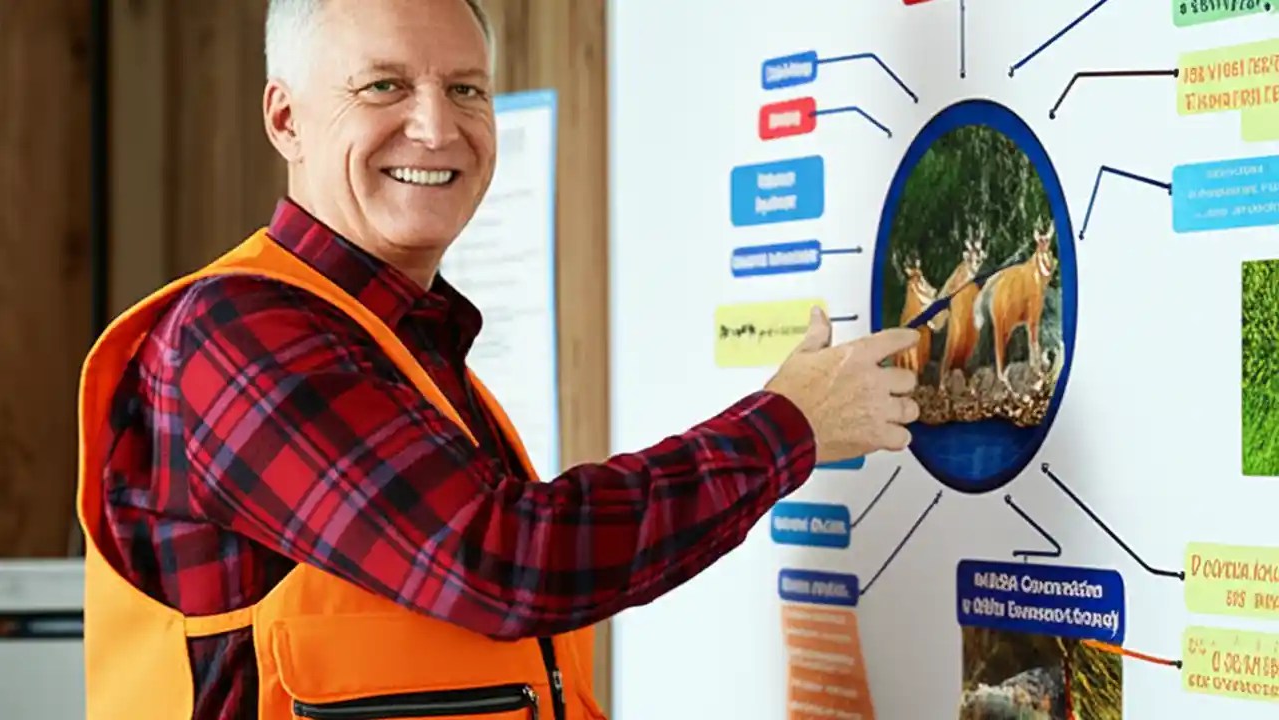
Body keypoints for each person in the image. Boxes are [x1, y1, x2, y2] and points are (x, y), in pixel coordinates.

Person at [74, 0, 921, 718]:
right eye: (385, 86)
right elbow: (504, 562)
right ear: (286, 119)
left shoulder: (400, 341)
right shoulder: (239, 334)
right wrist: (789, 425)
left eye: (466, 89)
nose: (437, 127)